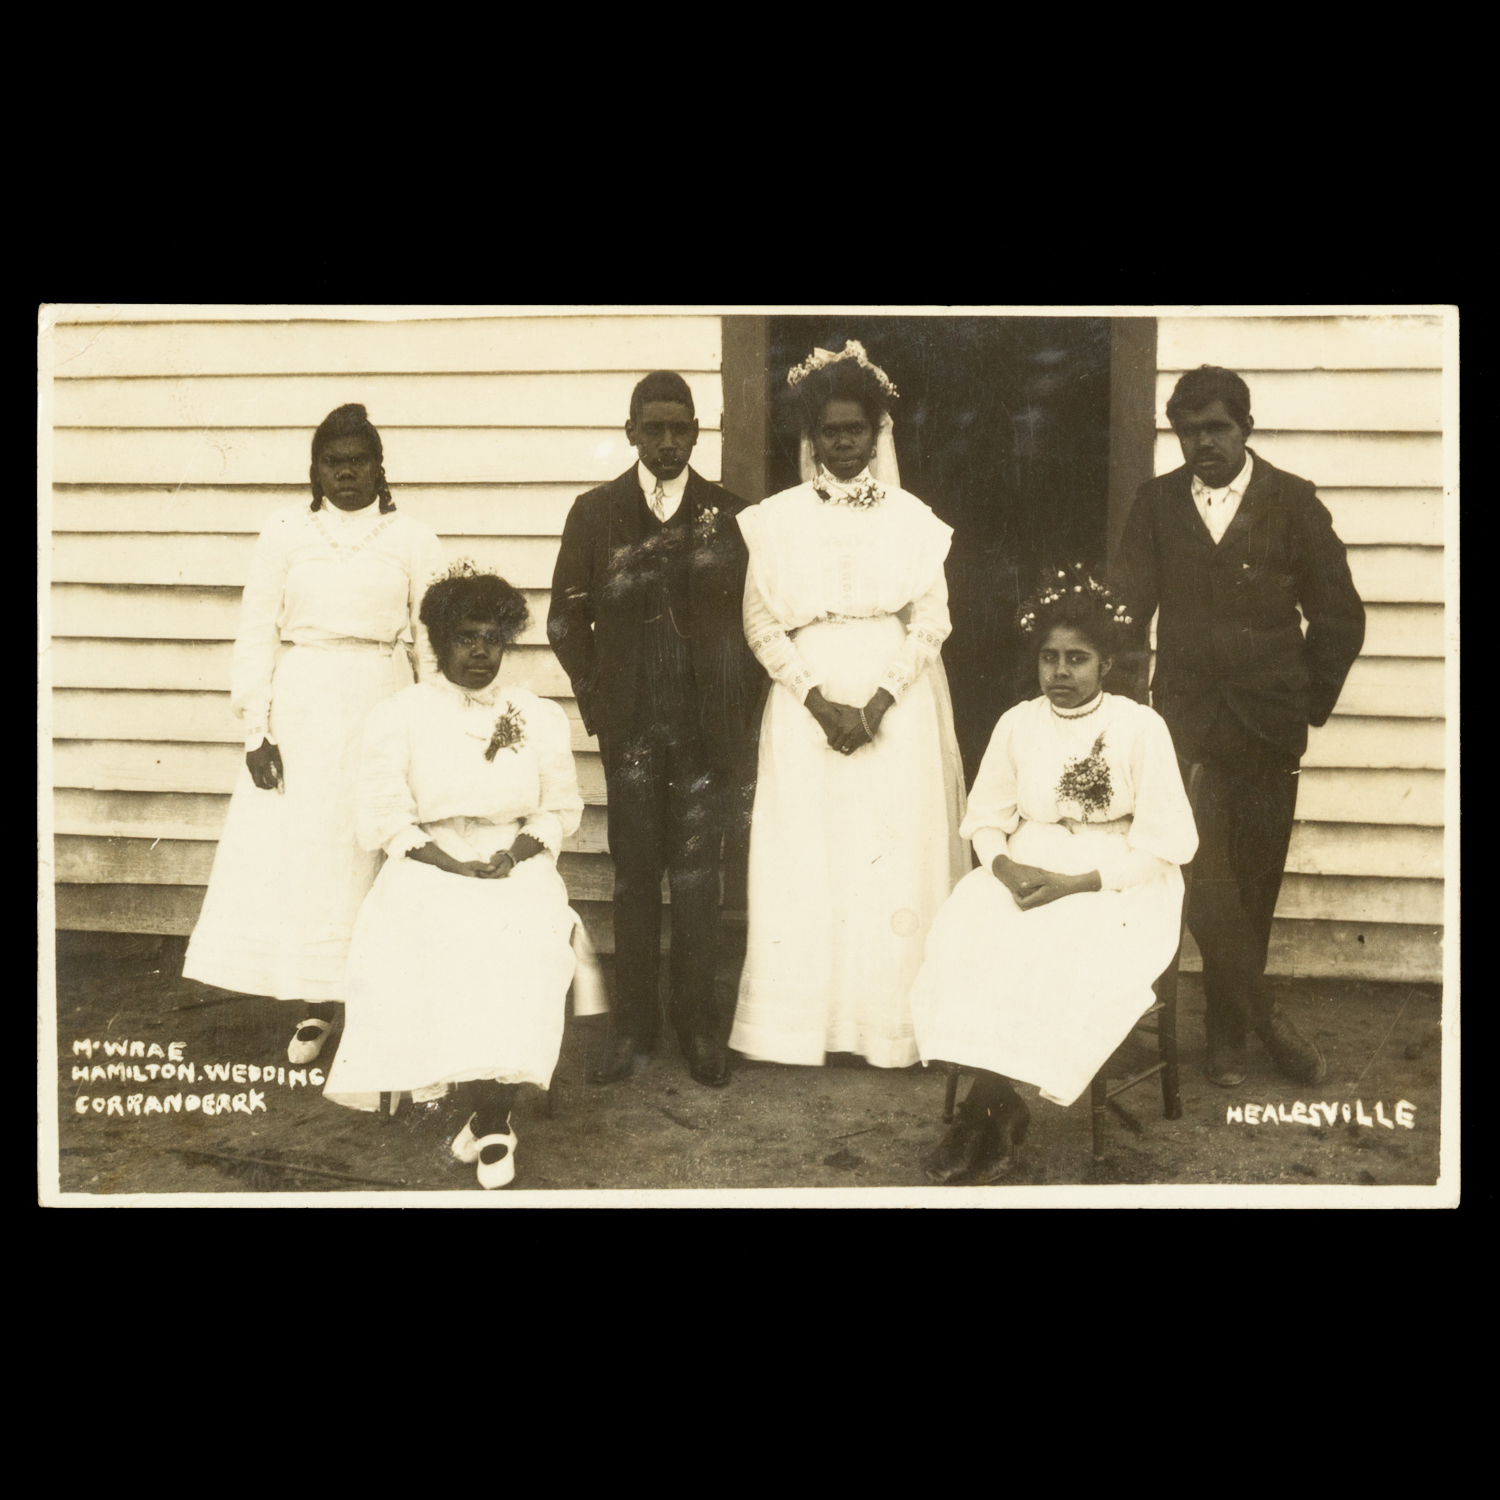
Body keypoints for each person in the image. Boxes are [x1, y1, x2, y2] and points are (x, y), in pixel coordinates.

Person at [1113, 366, 1365, 1088]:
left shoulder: (1291, 504)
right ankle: (1261, 1020)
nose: (1203, 443)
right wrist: (1131, 708)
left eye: (1217, 427)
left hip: (1268, 725)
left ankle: (1226, 1035)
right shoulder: (1157, 504)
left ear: (1246, 428)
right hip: (1185, 724)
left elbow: (1341, 616)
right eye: (1189, 430)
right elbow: (1126, 613)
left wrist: (1303, 700)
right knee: (1199, 873)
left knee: (1255, 879)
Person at [911, 566, 1199, 1183]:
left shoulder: (1140, 727)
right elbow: (985, 819)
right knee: (970, 929)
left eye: (1078, 659)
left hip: (1121, 878)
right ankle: (994, 1107)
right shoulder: (1018, 722)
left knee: (1055, 942)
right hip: (1029, 862)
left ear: (1107, 665)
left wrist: (1078, 883)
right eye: (1049, 658)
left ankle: (986, 1110)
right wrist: (1007, 867)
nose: (1060, 673)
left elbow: (1166, 845)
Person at [729, 342, 968, 1070]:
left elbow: (932, 617)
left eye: (854, 430)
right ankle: (806, 1026)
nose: (842, 443)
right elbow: (761, 621)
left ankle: (889, 1025)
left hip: (894, 701)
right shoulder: (776, 520)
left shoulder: (913, 517)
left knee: (892, 857)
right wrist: (817, 699)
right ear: (811, 436)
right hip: (808, 703)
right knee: (810, 855)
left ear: (877, 432)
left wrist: (881, 700)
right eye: (829, 431)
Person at [182, 404, 445, 1063]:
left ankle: (381, 1004)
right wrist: (256, 730)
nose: (347, 471)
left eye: (359, 460)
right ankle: (316, 1005)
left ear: (381, 469)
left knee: (375, 848)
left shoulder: (412, 537)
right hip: (302, 711)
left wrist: (434, 721)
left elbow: (434, 638)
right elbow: (256, 633)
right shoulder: (284, 533)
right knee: (309, 858)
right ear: (316, 469)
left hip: (381, 701)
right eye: (334, 461)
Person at [322, 570, 588, 1189]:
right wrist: (450, 862)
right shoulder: (399, 714)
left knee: (526, 933)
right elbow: (387, 816)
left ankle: (492, 1118)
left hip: (511, 854)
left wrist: (515, 854)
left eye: (493, 639)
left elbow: (558, 808)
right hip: (428, 856)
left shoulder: (536, 715)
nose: (480, 653)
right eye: (466, 638)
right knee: (441, 929)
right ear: (439, 643)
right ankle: (488, 1117)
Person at [547, 372, 763, 1088]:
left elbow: (759, 625)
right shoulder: (596, 513)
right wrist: (601, 701)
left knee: (700, 878)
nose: (668, 441)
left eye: (681, 428)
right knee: (637, 876)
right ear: (633, 429)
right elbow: (564, 619)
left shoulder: (733, 517)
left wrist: (737, 709)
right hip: (633, 733)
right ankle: (633, 1026)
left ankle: (699, 1027)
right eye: (654, 427)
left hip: (706, 733)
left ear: (697, 432)